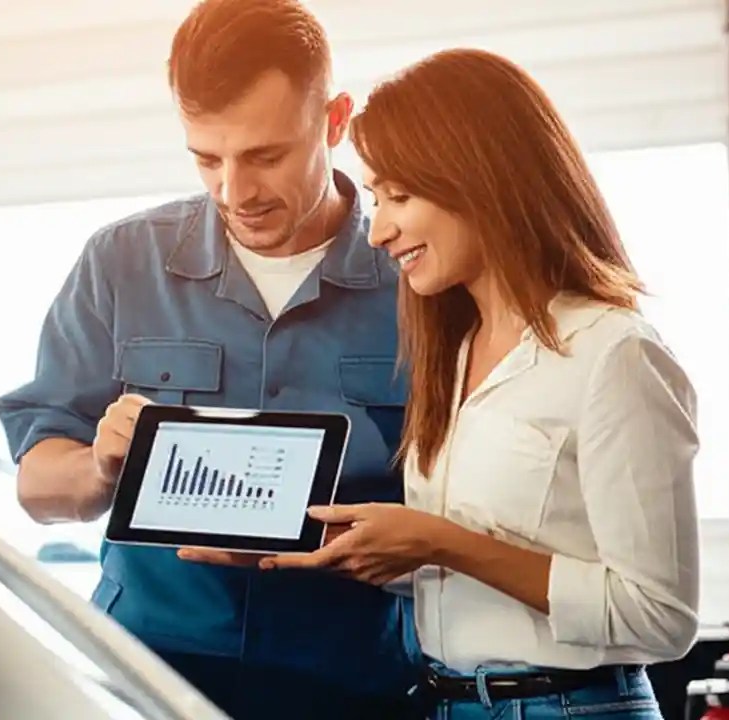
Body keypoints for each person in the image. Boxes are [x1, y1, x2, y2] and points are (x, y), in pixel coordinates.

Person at [0, 1, 423, 717]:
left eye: (265, 155)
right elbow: (37, 489)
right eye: (206, 158)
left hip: (352, 684)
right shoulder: (120, 262)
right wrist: (99, 466)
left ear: (336, 121)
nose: (235, 191)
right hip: (145, 679)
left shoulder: (415, 280)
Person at [250, 48, 701, 719]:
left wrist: (441, 541)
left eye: (400, 195)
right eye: (376, 198)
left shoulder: (613, 354)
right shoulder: (454, 353)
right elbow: (476, 584)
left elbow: (661, 618)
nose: (379, 231)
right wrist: (368, 550)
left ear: (482, 177)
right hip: (446, 702)